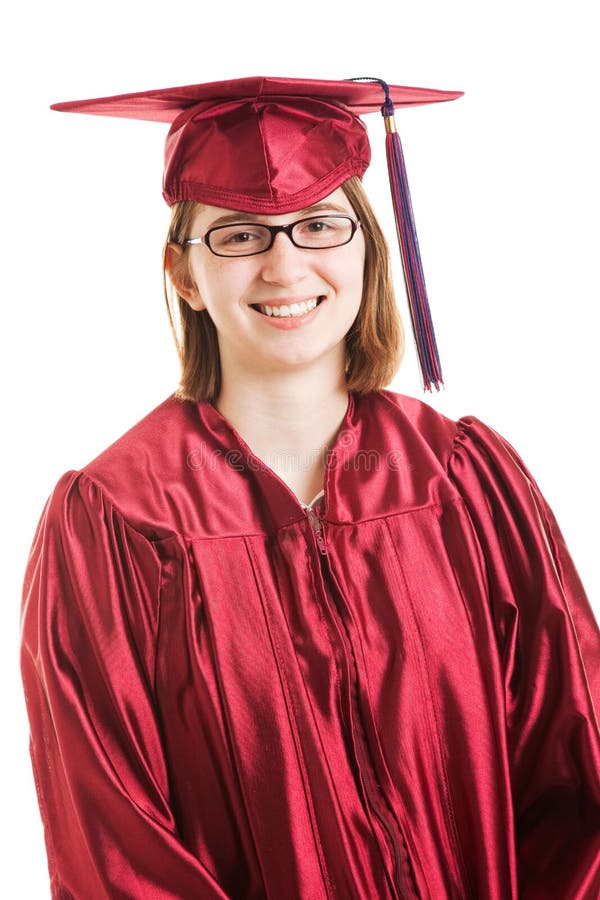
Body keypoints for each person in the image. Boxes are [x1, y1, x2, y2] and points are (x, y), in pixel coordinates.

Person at [20, 76, 600, 900]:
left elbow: (575, 768)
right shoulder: (116, 519)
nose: (285, 264)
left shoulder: (464, 481)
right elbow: (111, 842)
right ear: (184, 275)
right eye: (240, 235)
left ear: (366, 247)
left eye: (320, 225)